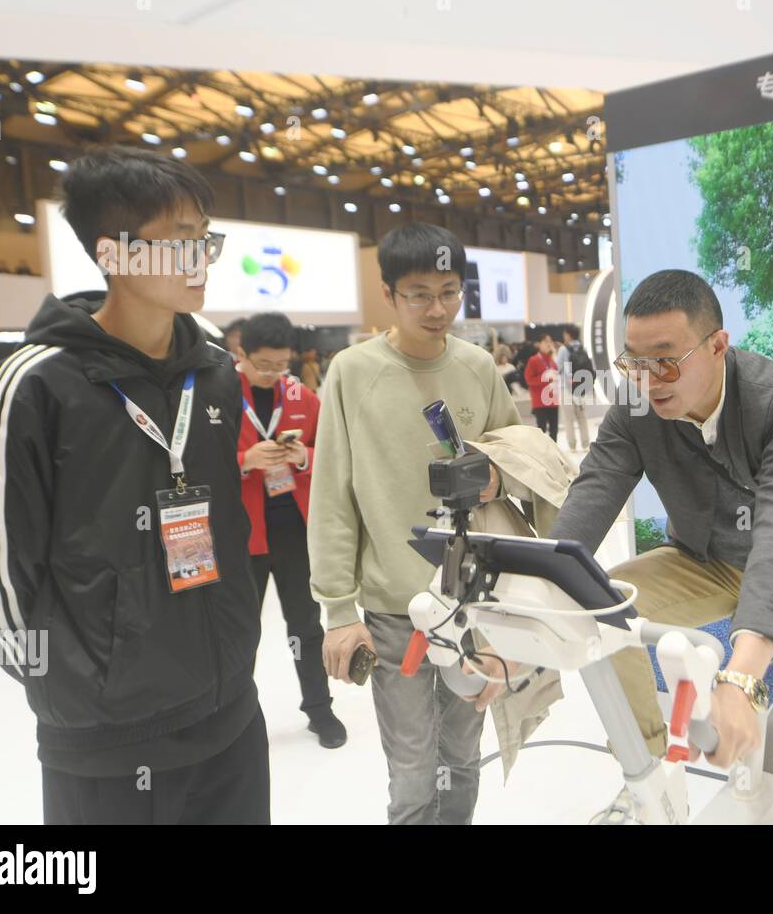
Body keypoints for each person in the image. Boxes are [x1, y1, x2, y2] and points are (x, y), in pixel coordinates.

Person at [0, 146, 269, 824]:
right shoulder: (36, 383)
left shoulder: (210, 368)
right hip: (108, 741)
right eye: (181, 243)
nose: (202, 259)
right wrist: (73, 686)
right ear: (115, 254)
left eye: (206, 240)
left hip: (230, 710)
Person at [544, 270, 773, 825]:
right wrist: (531, 605)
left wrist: (741, 680)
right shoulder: (636, 407)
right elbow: (592, 494)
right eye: (635, 362)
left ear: (718, 345)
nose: (649, 380)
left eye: (667, 359)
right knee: (597, 605)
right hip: (705, 557)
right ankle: (650, 773)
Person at [308, 222, 521, 824]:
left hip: (471, 600)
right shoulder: (352, 371)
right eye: (419, 294)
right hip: (393, 606)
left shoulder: (478, 367)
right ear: (388, 295)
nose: (437, 309)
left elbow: (519, 456)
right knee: (411, 768)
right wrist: (338, 612)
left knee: (462, 755)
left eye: (450, 291)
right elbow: (332, 496)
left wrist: (499, 477)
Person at [235, 312, 345, 747]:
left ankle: (319, 708)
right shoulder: (218, 396)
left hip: (296, 530)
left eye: (281, 365)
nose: (272, 374)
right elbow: (191, 462)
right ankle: (238, 718)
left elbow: (329, 452)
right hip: (243, 533)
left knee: (306, 623)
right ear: (240, 354)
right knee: (243, 629)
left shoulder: (302, 396)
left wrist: (302, 458)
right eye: (262, 365)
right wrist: (244, 461)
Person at [555, 325, 593, 451]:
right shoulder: (583, 348)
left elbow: (559, 367)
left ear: (568, 335)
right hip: (580, 387)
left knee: (569, 418)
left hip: (567, 388)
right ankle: (586, 444)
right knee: (582, 416)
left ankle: (572, 446)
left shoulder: (563, 349)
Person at [525, 334, 560, 441]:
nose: (549, 344)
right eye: (546, 342)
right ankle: (543, 453)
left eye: (550, 341)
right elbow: (529, 379)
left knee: (554, 430)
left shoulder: (552, 360)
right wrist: (545, 377)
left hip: (553, 401)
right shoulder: (533, 360)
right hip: (540, 402)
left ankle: (554, 453)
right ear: (539, 344)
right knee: (542, 429)